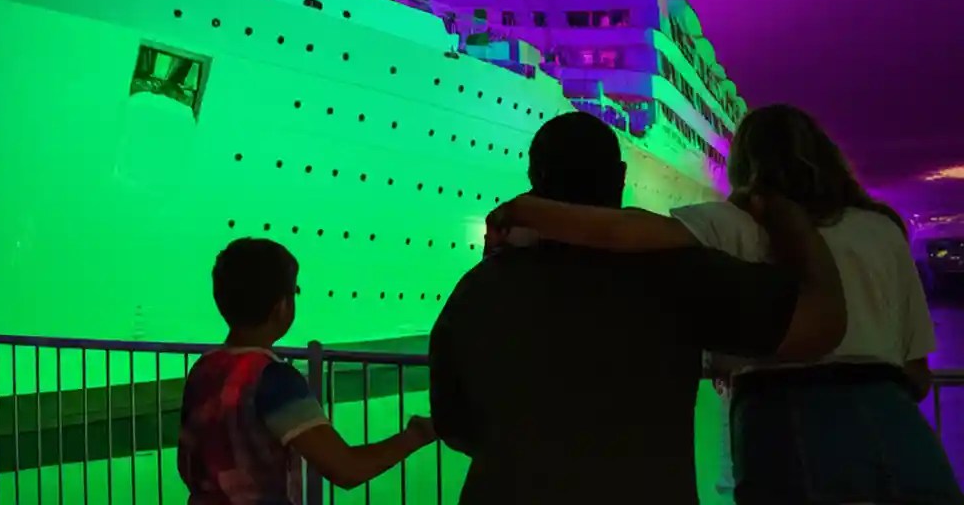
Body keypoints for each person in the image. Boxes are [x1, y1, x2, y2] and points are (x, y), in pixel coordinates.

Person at [488, 104, 961, 504]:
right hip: (899, 427)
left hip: (786, 427)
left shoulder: (732, 223)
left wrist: (524, 211)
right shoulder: (882, 228)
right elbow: (917, 373)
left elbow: (620, 231)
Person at [429, 111, 846, 505]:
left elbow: (454, 425)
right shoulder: (679, 272)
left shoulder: (477, 290)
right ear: (621, 178)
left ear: (534, 179)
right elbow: (822, 325)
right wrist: (788, 217)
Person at [178, 238, 436, 505]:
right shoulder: (274, 379)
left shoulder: (204, 368)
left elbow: (187, 463)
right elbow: (346, 469)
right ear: (282, 307)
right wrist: (415, 436)